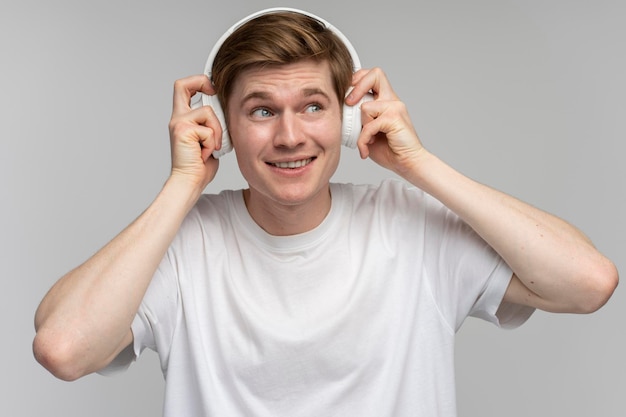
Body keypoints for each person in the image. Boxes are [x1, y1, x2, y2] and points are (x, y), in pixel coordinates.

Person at [33, 8, 618, 417]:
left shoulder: (410, 222)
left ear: (344, 119)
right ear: (225, 128)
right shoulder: (184, 243)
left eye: (313, 106)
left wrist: (418, 165)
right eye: (261, 111)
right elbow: (63, 348)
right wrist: (184, 183)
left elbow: (588, 283)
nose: (290, 136)